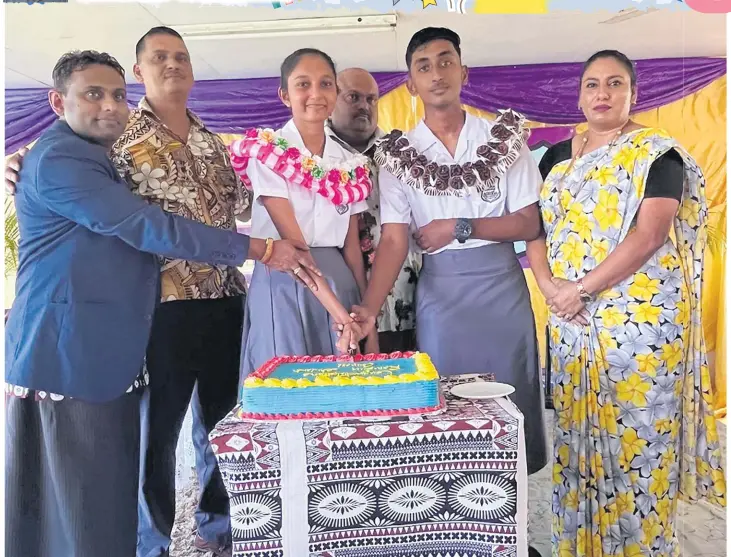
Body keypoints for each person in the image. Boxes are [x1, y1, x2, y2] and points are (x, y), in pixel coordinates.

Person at [4, 50, 318, 557]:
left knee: (111, 481)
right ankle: (152, 545)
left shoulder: (191, 144)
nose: (109, 106)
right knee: (93, 486)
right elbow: (144, 225)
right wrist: (258, 250)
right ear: (57, 102)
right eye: (93, 94)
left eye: (114, 96)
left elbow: (238, 202)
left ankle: (209, 532)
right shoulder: (73, 154)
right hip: (74, 345)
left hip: (170, 317)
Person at [341, 28, 548, 556]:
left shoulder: (503, 137)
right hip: (443, 299)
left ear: (464, 72)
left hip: (502, 290)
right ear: (410, 83)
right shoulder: (398, 154)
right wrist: (367, 307)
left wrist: (462, 226)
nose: (436, 72)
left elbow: (528, 222)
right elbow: (392, 239)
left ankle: (512, 536)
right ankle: (459, 538)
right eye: (423, 66)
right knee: (447, 418)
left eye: (445, 61)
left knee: (508, 414)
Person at [526, 50, 726, 556]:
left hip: (642, 324)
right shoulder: (553, 157)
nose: (603, 94)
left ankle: (645, 548)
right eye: (592, 84)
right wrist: (550, 285)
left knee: (641, 441)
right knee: (577, 440)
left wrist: (580, 289)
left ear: (634, 93)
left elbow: (652, 232)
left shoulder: (658, 154)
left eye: (615, 84)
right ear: (579, 94)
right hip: (571, 321)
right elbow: (534, 227)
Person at [228, 48, 374, 378]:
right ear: (285, 95)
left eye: (325, 84)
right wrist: (340, 316)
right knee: (289, 388)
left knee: (343, 394)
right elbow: (295, 248)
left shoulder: (350, 163)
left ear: (336, 92)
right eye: (302, 84)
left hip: (339, 282)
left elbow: (353, 248)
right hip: (285, 278)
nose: (315, 94)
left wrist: (364, 317)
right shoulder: (269, 150)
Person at [327, 67, 421, 353]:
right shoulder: (311, 157)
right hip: (341, 310)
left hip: (407, 300)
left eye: (371, 99)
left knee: (410, 388)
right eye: (353, 97)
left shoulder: (401, 153)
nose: (364, 106)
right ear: (330, 100)